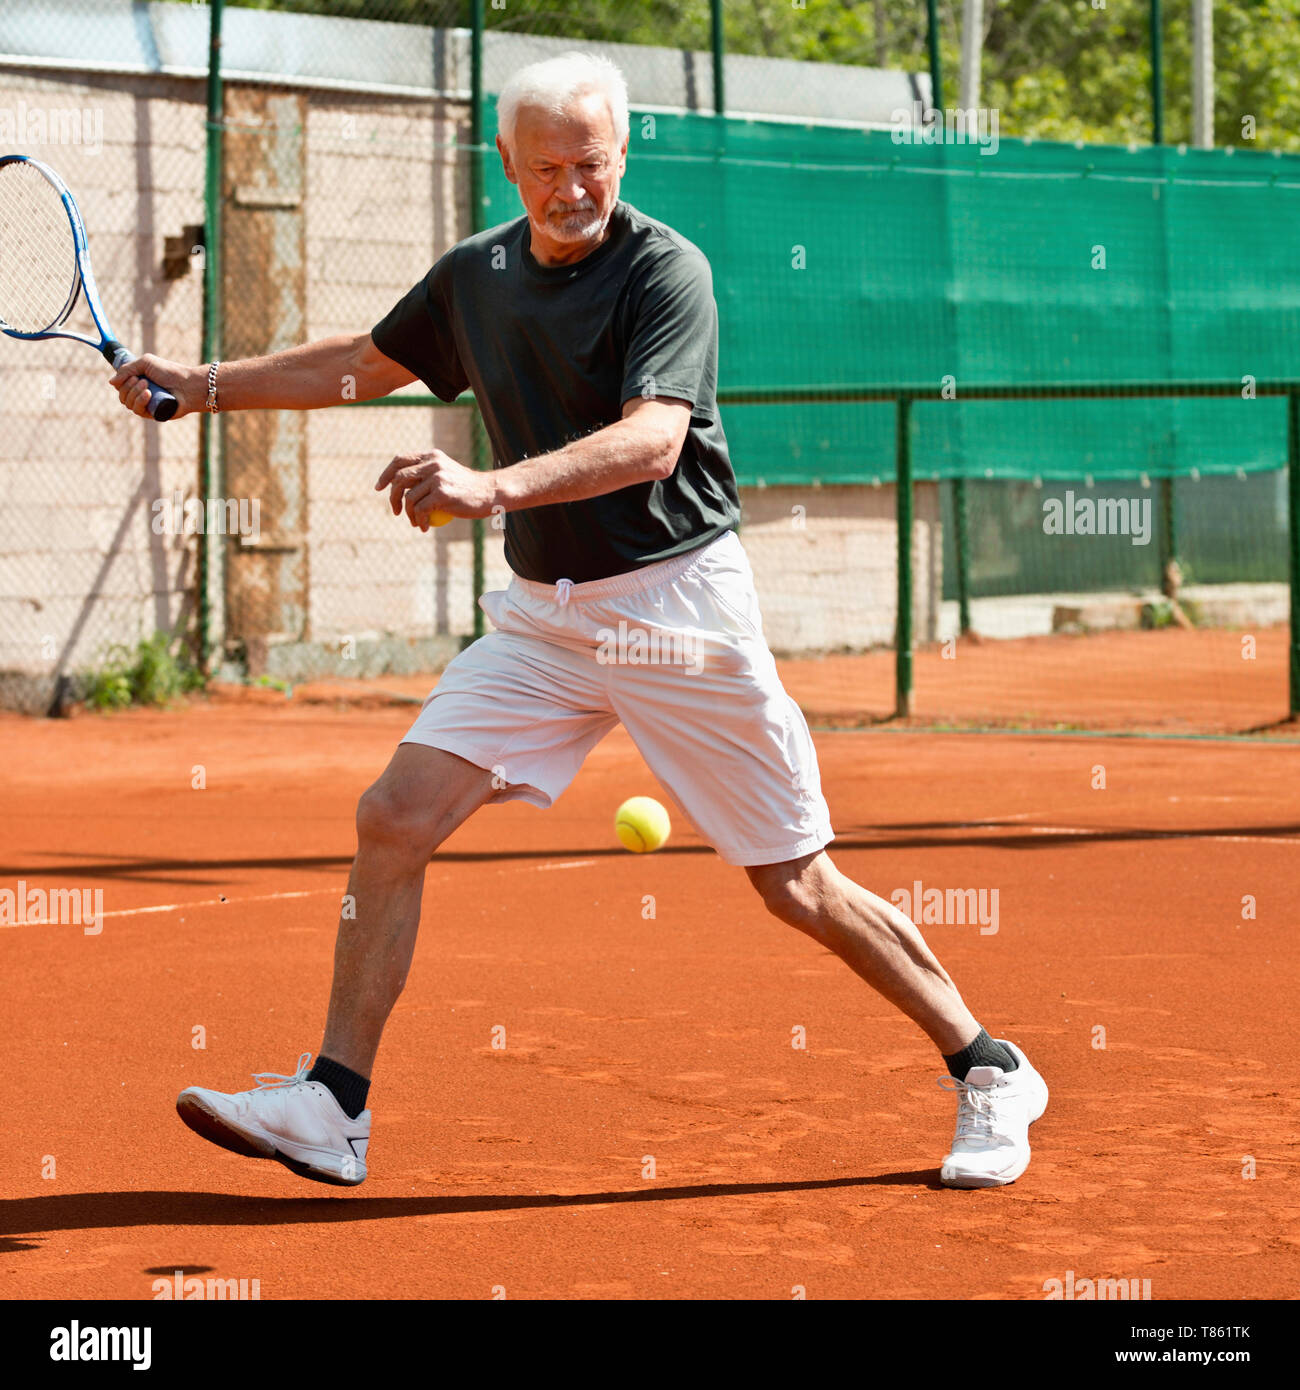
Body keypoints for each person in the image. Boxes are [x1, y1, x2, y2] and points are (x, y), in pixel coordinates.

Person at [113, 52, 1047, 1191]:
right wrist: (198, 385)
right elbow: (364, 365)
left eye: (591, 165)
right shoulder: (476, 275)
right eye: (546, 167)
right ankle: (332, 1104)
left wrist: (491, 487)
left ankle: (987, 1064)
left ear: (621, 156)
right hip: (544, 622)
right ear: (506, 162)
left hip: (675, 607)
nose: (569, 190)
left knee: (793, 880)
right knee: (394, 815)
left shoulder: (667, 272)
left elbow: (653, 438)